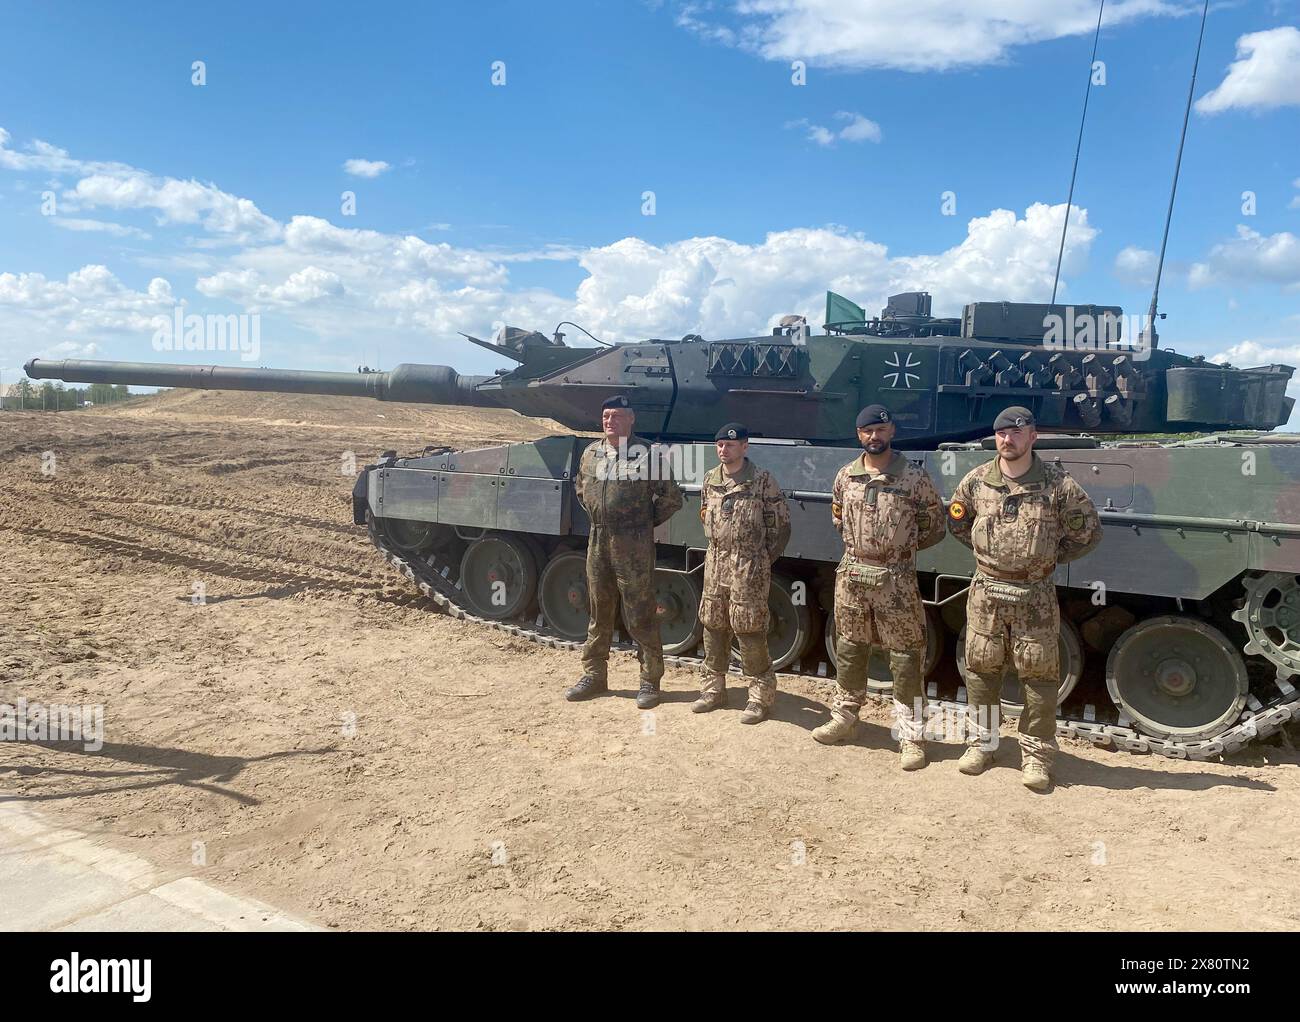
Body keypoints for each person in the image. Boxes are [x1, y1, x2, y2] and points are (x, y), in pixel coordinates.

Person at [947, 406, 1102, 791]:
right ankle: (982, 745)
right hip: (987, 590)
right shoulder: (977, 481)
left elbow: (1087, 533)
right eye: (1001, 433)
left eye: (1017, 433)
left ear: (1032, 436)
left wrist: (1043, 559)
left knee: (1038, 675)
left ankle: (1036, 755)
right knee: (981, 670)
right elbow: (957, 521)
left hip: (1035, 593)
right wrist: (991, 555)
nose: (1008, 440)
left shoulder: (1058, 485)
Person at [814, 404, 945, 770]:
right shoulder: (846, 477)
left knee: (905, 658)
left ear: (892, 432)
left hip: (896, 578)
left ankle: (911, 735)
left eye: (881, 429)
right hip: (854, 574)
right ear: (859, 435)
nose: (875, 436)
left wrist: (896, 550)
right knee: (851, 649)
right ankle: (845, 717)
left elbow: (933, 526)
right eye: (868, 430)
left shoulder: (914, 477)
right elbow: (838, 517)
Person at [566, 395, 683, 709]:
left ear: (631, 420)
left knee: (640, 613)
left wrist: (642, 523)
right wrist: (599, 514)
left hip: (633, 544)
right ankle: (594, 675)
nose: (609, 422)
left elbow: (672, 498)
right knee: (598, 610)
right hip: (598, 539)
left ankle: (649, 681)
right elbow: (581, 488)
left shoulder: (646, 455)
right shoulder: (591, 453)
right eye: (606, 416)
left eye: (617, 416)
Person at [693, 422, 791, 724]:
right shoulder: (710, 479)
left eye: (731, 445)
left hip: (748, 565)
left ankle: (760, 695)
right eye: (720, 445)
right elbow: (705, 517)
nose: (724, 450)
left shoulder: (762, 481)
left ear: (744, 447)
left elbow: (780, 527)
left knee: (749, 629)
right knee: (713, 624)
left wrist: (759, 559)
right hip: (716, 561)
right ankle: (713, 689)